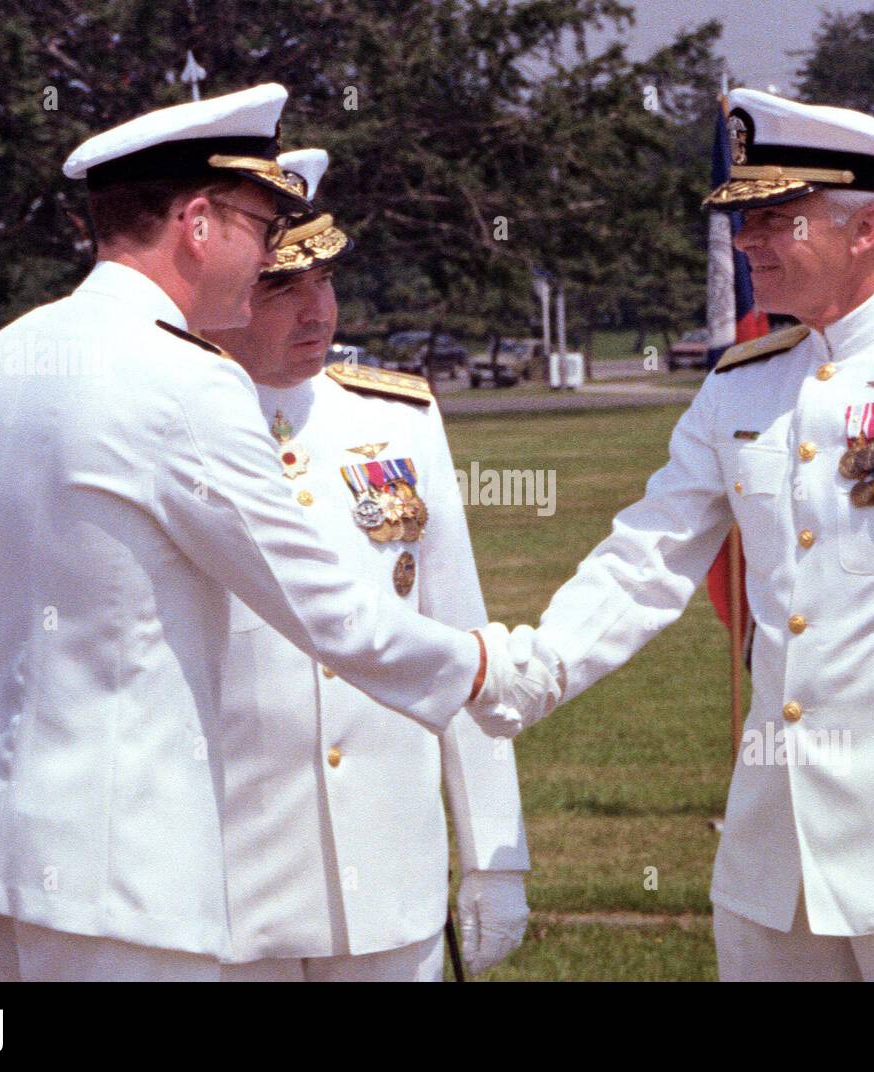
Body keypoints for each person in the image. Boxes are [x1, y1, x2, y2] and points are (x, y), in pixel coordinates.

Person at [0, 86, 527, 982]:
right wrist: (497, 671)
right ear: (197, 222)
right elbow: (333, 615)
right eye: (262, 229)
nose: (270, 253)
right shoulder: (183, 379)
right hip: (136, 895)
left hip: (0, 881)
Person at [488, 89, 874, 981]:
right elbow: (646, 558)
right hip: (769, 864)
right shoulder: (742, 386)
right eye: (745, 220)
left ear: (864, 229)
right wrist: (535, 668)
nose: (747, 244)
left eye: (776, 219)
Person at [203, 149, 529, 981]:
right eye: (282, 288)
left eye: (326, 282)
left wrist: (496, 853)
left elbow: (458, 632)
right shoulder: (173, 426)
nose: (318, 312)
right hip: (227, 887)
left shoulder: (400, 420)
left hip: (390, 875)